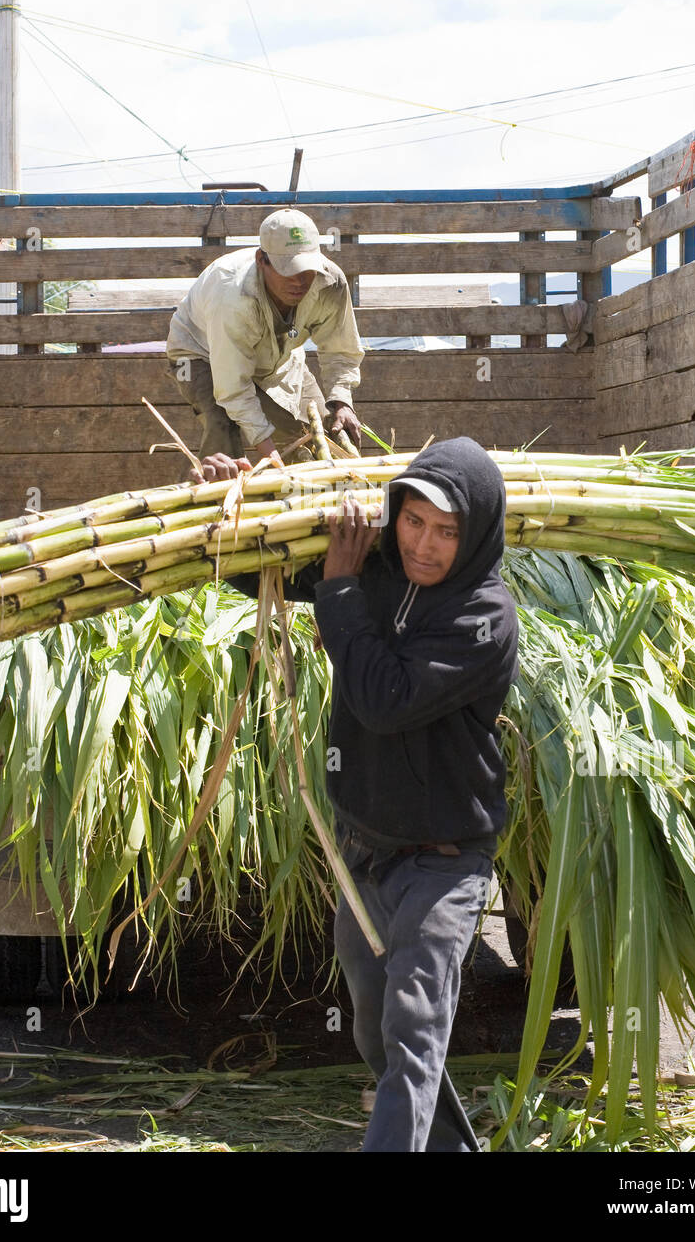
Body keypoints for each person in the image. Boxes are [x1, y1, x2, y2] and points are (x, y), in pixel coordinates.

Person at [221, 436, 520, 1151]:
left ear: (474, 533)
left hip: (443, 866)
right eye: (413, 521)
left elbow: (384, 699)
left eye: (447, 531)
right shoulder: (376, 570)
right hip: (365, 851)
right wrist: (231, 499)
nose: (424, 544)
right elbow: (246, 573)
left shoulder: (482, 619)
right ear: (394, 514)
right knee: (377, 1038)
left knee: (412, 1041)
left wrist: (342, 587)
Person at [166, 208, 364, 476]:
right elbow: (233, 390)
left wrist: (342, 401)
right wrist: (273, 460)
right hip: (201, 354)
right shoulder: (234, 297)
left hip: (281, 359)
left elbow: (341, 351)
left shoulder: (331, 283)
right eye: (288, 271)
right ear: (262, 260)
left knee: (320, 432)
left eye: (306, 270)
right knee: (222, 425)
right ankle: (220, 502)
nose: (299, 282)